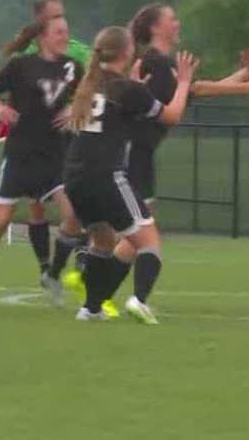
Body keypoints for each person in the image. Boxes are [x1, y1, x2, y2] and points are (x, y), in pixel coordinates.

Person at [88, 3, 249, 317]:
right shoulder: (154, 61)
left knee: (137, 234)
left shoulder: (164, 64)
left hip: (140, 152)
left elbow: (192, 90)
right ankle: (119, 293)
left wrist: (247, 74)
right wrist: (248, 85)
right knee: (141, 232)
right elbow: (195, 88)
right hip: (132, 152)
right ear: (155, 28)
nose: (177, 23)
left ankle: (95, 298)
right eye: (171, 19)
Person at [62, 26, 196, 323]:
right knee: (149, 242)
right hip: (105, 174)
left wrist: (136, 86)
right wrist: (184, 83)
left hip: (74, 178)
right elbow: (171, 115)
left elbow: (116, 116)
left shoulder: (92, 85)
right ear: (127, 53)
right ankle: (139, 300)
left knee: (103, 242)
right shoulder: (126, 90)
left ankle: (91, 309)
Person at [0, 16, 85, 311]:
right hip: (20, 155)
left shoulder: (72, 68)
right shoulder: (21, 66)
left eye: (66, 31)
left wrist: (74, 108)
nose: (65, 36)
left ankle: (52, 275)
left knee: (74, 216)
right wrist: (0, 107)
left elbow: (89, 94)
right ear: (42, 37)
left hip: (54, 157)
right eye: (59, 32)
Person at [0, 0, 93, 287]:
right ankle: (45, 266)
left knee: (74, 196)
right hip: (30, 137)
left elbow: (91, 82)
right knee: (35, 203)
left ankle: (80, 257)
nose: (61, 21)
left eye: (62, 15)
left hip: (66, 133)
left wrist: (73, 106)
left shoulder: (76, 51)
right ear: (41, 20)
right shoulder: (26, 53)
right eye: (55, 16)